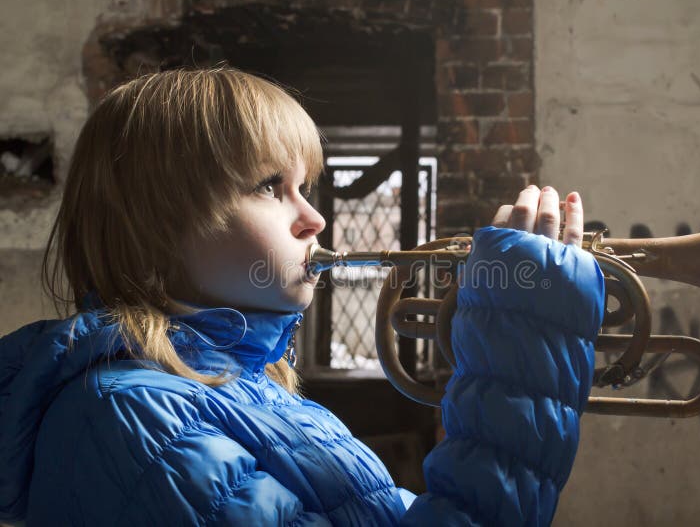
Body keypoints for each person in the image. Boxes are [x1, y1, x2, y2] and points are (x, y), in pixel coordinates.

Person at [0, 68, 605, 526]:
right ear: (153, 231)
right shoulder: (134, 419)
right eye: (271, 186)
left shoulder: (234, 389)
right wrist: (524, 350)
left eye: (304, 187)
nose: (314, 217)